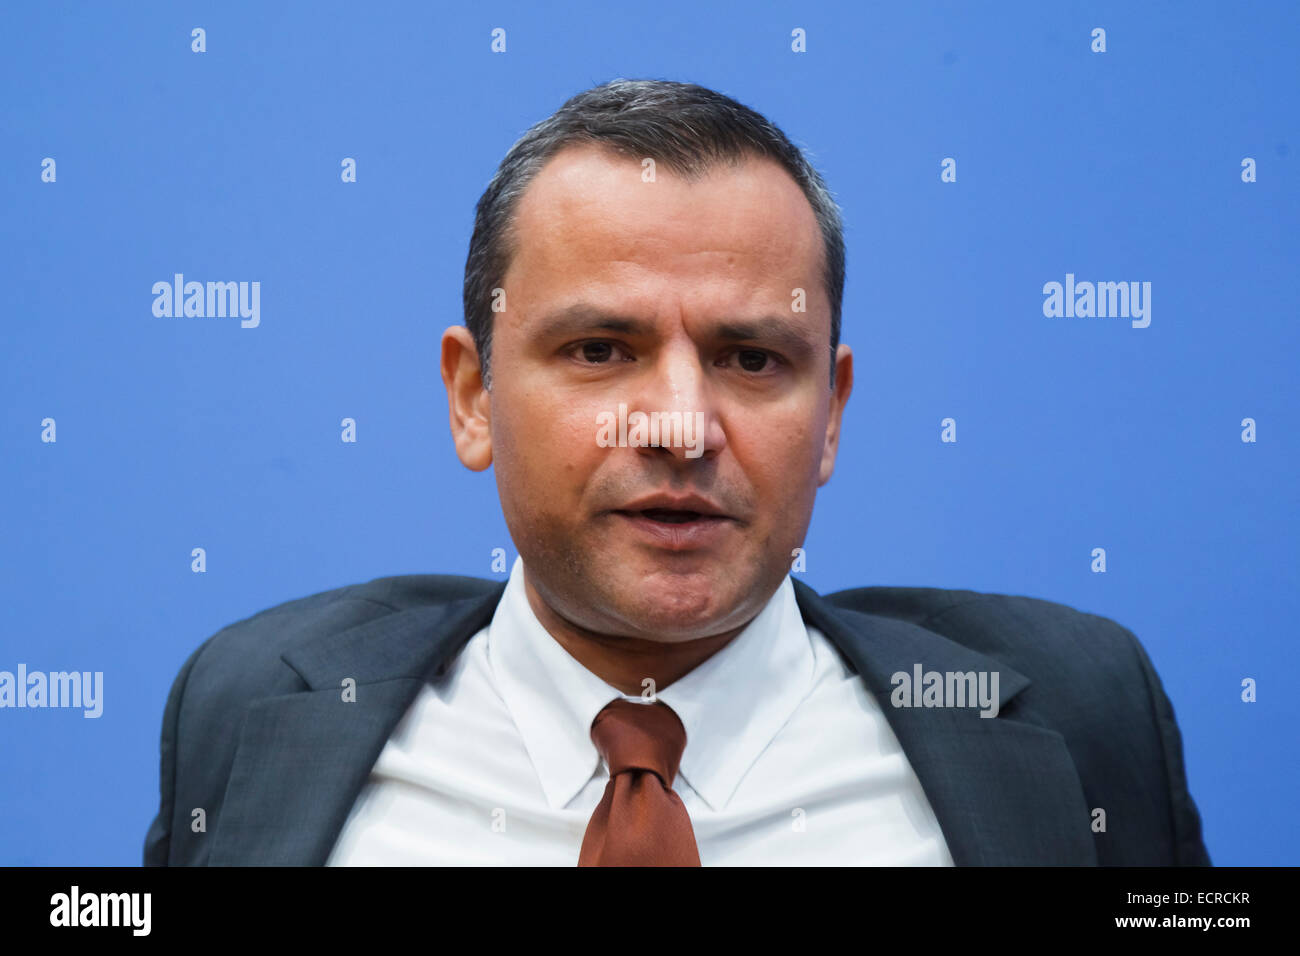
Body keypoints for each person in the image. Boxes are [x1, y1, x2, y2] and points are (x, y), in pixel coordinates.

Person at [144, 78, 1210, 866]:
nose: (679, 424)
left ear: (830, 413)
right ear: (471, 394)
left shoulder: (1073, 715)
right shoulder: (254, 709)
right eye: (600, 349)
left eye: (751, 359)